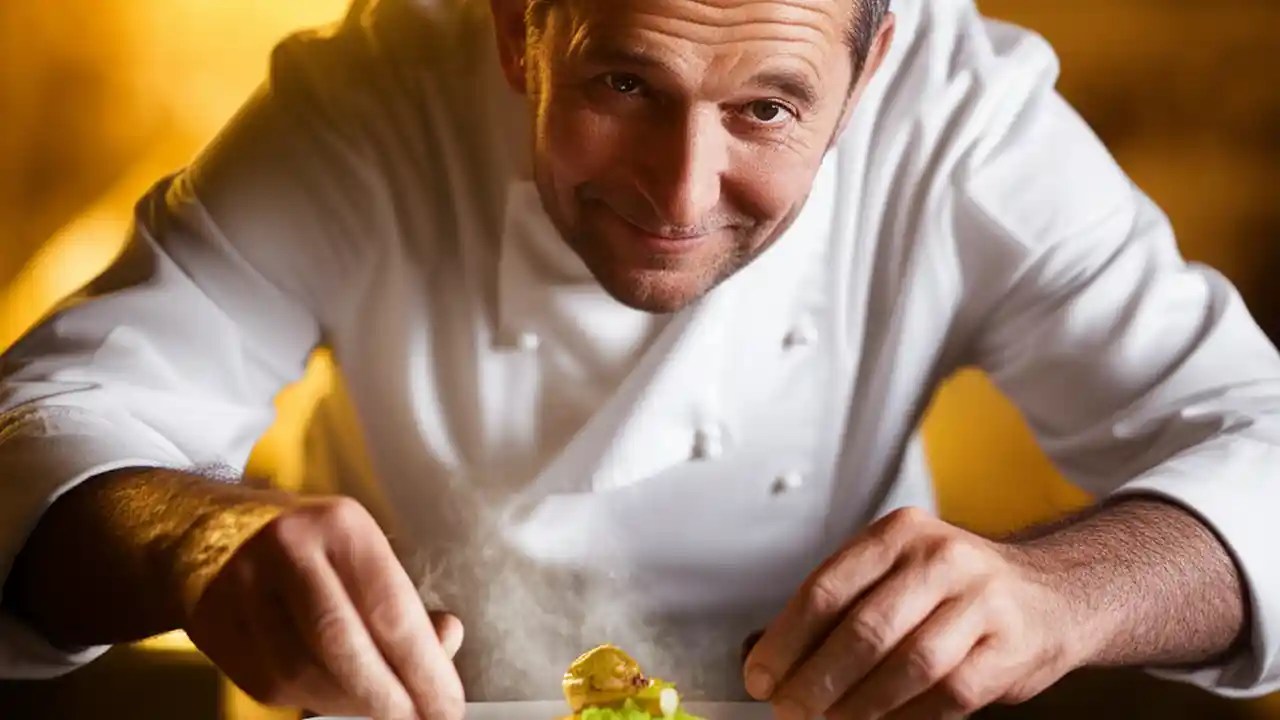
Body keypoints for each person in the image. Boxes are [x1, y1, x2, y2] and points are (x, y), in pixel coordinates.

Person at [0, 0, 1276, 718]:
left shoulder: (966, 122)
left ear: (871, 64)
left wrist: (1064, 594)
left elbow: (1260, 452)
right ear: (518, 34)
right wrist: (193, 544)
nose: (679, 193)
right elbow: (54, 420)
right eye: (621, 84)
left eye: (765, 107)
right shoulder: (370, 101)